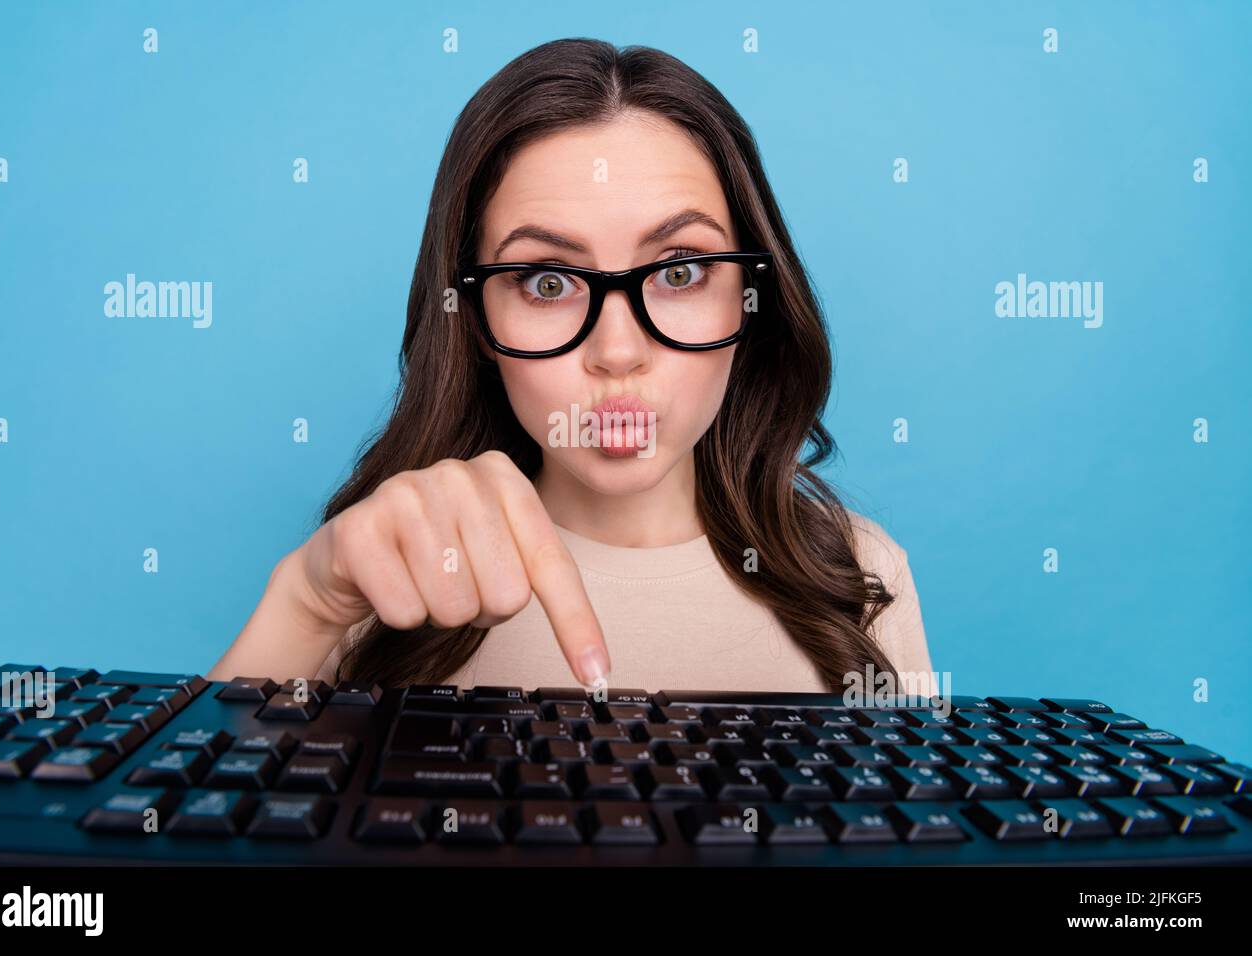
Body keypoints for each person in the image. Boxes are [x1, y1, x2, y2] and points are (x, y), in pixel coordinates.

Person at [208, 37, 936, 700]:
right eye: (548, 282)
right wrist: (306, 601)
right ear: (477, 321)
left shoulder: (861, 575)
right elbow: (180, 816)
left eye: (679, 272)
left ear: (751, 300)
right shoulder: (387, 567)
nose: (617, 352)